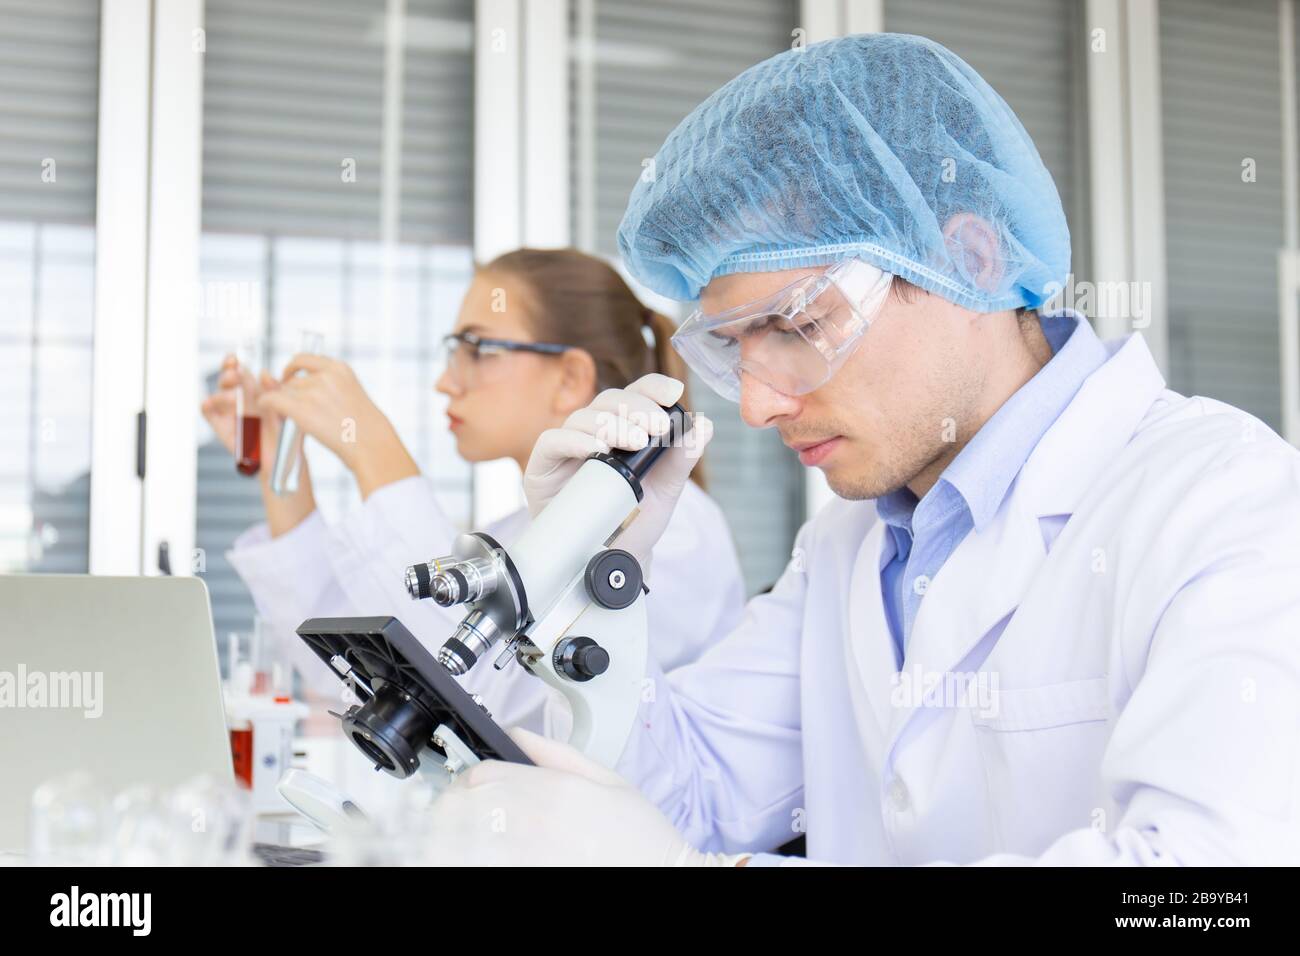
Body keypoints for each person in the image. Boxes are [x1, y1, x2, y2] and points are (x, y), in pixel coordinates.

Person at [421, 34, 1300, 866]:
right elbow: (681, 799)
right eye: (735, 351)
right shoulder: (849, 548)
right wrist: (594, 580)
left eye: (800, 324)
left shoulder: (1226, 504)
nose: (761, 407)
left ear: (970, 258)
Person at [199, 247, 745, 731]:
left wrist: (373, 450)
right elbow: (348, 664)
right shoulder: (514, 536)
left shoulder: (668, 527)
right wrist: (281, 465)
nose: (446, 379)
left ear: (569, 378)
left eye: (477, 347)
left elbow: (494, 701)